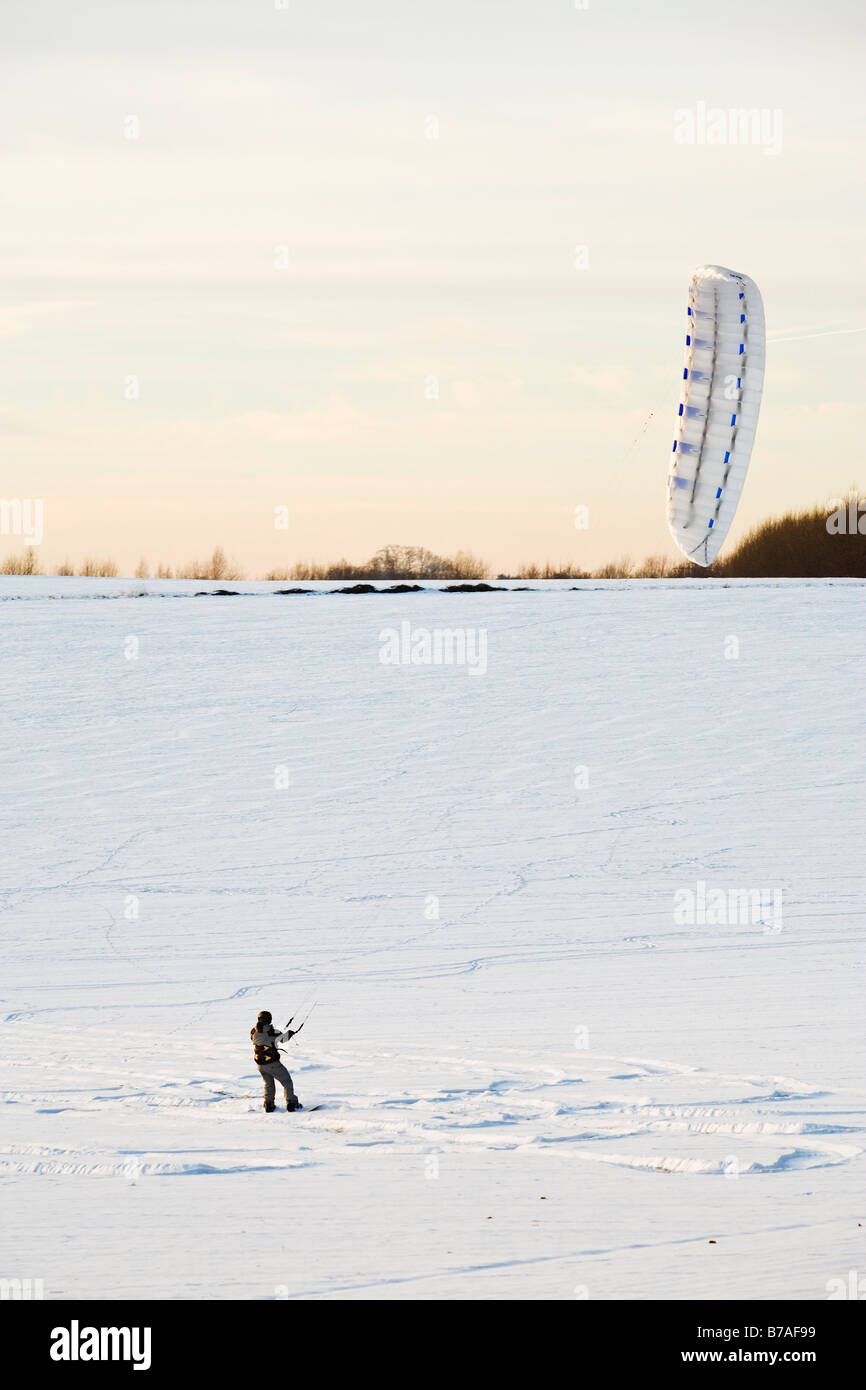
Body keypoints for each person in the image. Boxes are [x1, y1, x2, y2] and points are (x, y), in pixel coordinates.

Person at [250, 1010, 302, 1112]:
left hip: (260, 1065)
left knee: (268, 1084)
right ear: (269, 1020)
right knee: (287, 1081)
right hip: (272, 1064)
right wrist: (290, 1033)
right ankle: (291, 1103)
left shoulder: (253, 1031)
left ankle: (269, 1105)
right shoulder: (272, 1032)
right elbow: (282, 1039)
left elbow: (267, 1037)